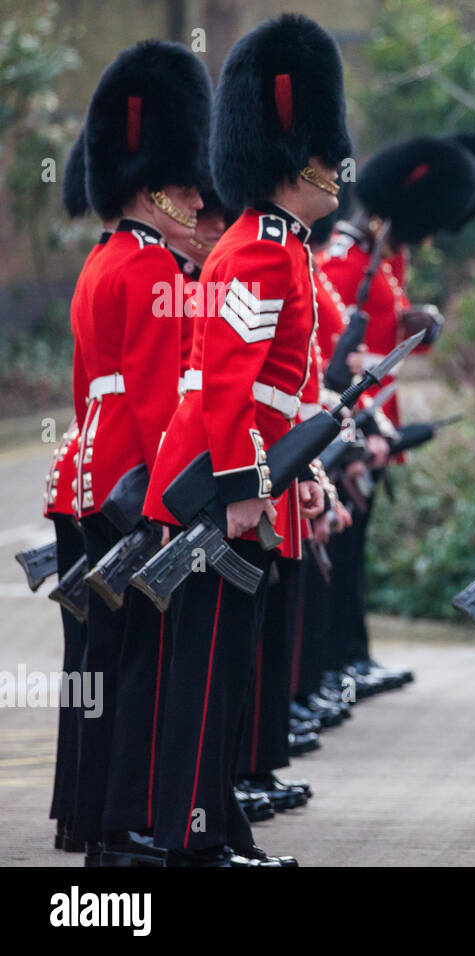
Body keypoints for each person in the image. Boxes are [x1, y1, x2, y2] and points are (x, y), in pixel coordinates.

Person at [142, 13, 350, 867]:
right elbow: (226, 388)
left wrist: (288, 476)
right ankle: (190, 843)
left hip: (247, 482)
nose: (337, 168)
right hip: (212, 492)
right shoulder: (259, 255)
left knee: (228, 678)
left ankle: (217, 827)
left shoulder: (283, 248)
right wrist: (239, 490)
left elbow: (278, 390)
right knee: (203, 679)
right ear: (291, 158)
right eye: (326, 155)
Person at [74, 40, 211, 868]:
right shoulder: (154, 269)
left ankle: (101, 819)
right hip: (142, 488)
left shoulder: (103, 262)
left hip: (97, 478)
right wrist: (174, 501)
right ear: (152, 186)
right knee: (142, 668)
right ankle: (129, 828)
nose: (199, 199)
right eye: (188, 187)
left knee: (106, 660)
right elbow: (164, 401)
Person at [316, 135, 475, 695]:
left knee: (355, 547)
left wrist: (417, 326)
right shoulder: (343, 263)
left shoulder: (383, 260)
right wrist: (366, 427)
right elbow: (337, 362)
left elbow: (386, 346)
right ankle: (338, 661)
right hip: (351, 426)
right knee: (339, 552)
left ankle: (354, 656)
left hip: (376, 419)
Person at [44, 127, 106, 857]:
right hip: (110, 483)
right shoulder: (134, 269)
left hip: (83, 473)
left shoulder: (98, 263)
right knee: (99, 663)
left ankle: (75, 807)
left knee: (85, 663)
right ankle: (88, 810)